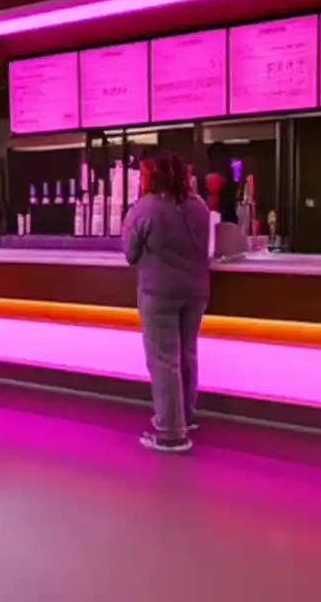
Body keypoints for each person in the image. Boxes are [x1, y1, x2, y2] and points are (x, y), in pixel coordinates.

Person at [123, 152, 211, 453]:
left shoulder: (144, 208)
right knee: (187, 355)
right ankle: (185, 416)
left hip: (159, 292)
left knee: (163, 361)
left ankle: (171, 433)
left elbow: (130, 252)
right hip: (197, 292)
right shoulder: (199, 206)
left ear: (150, 177)